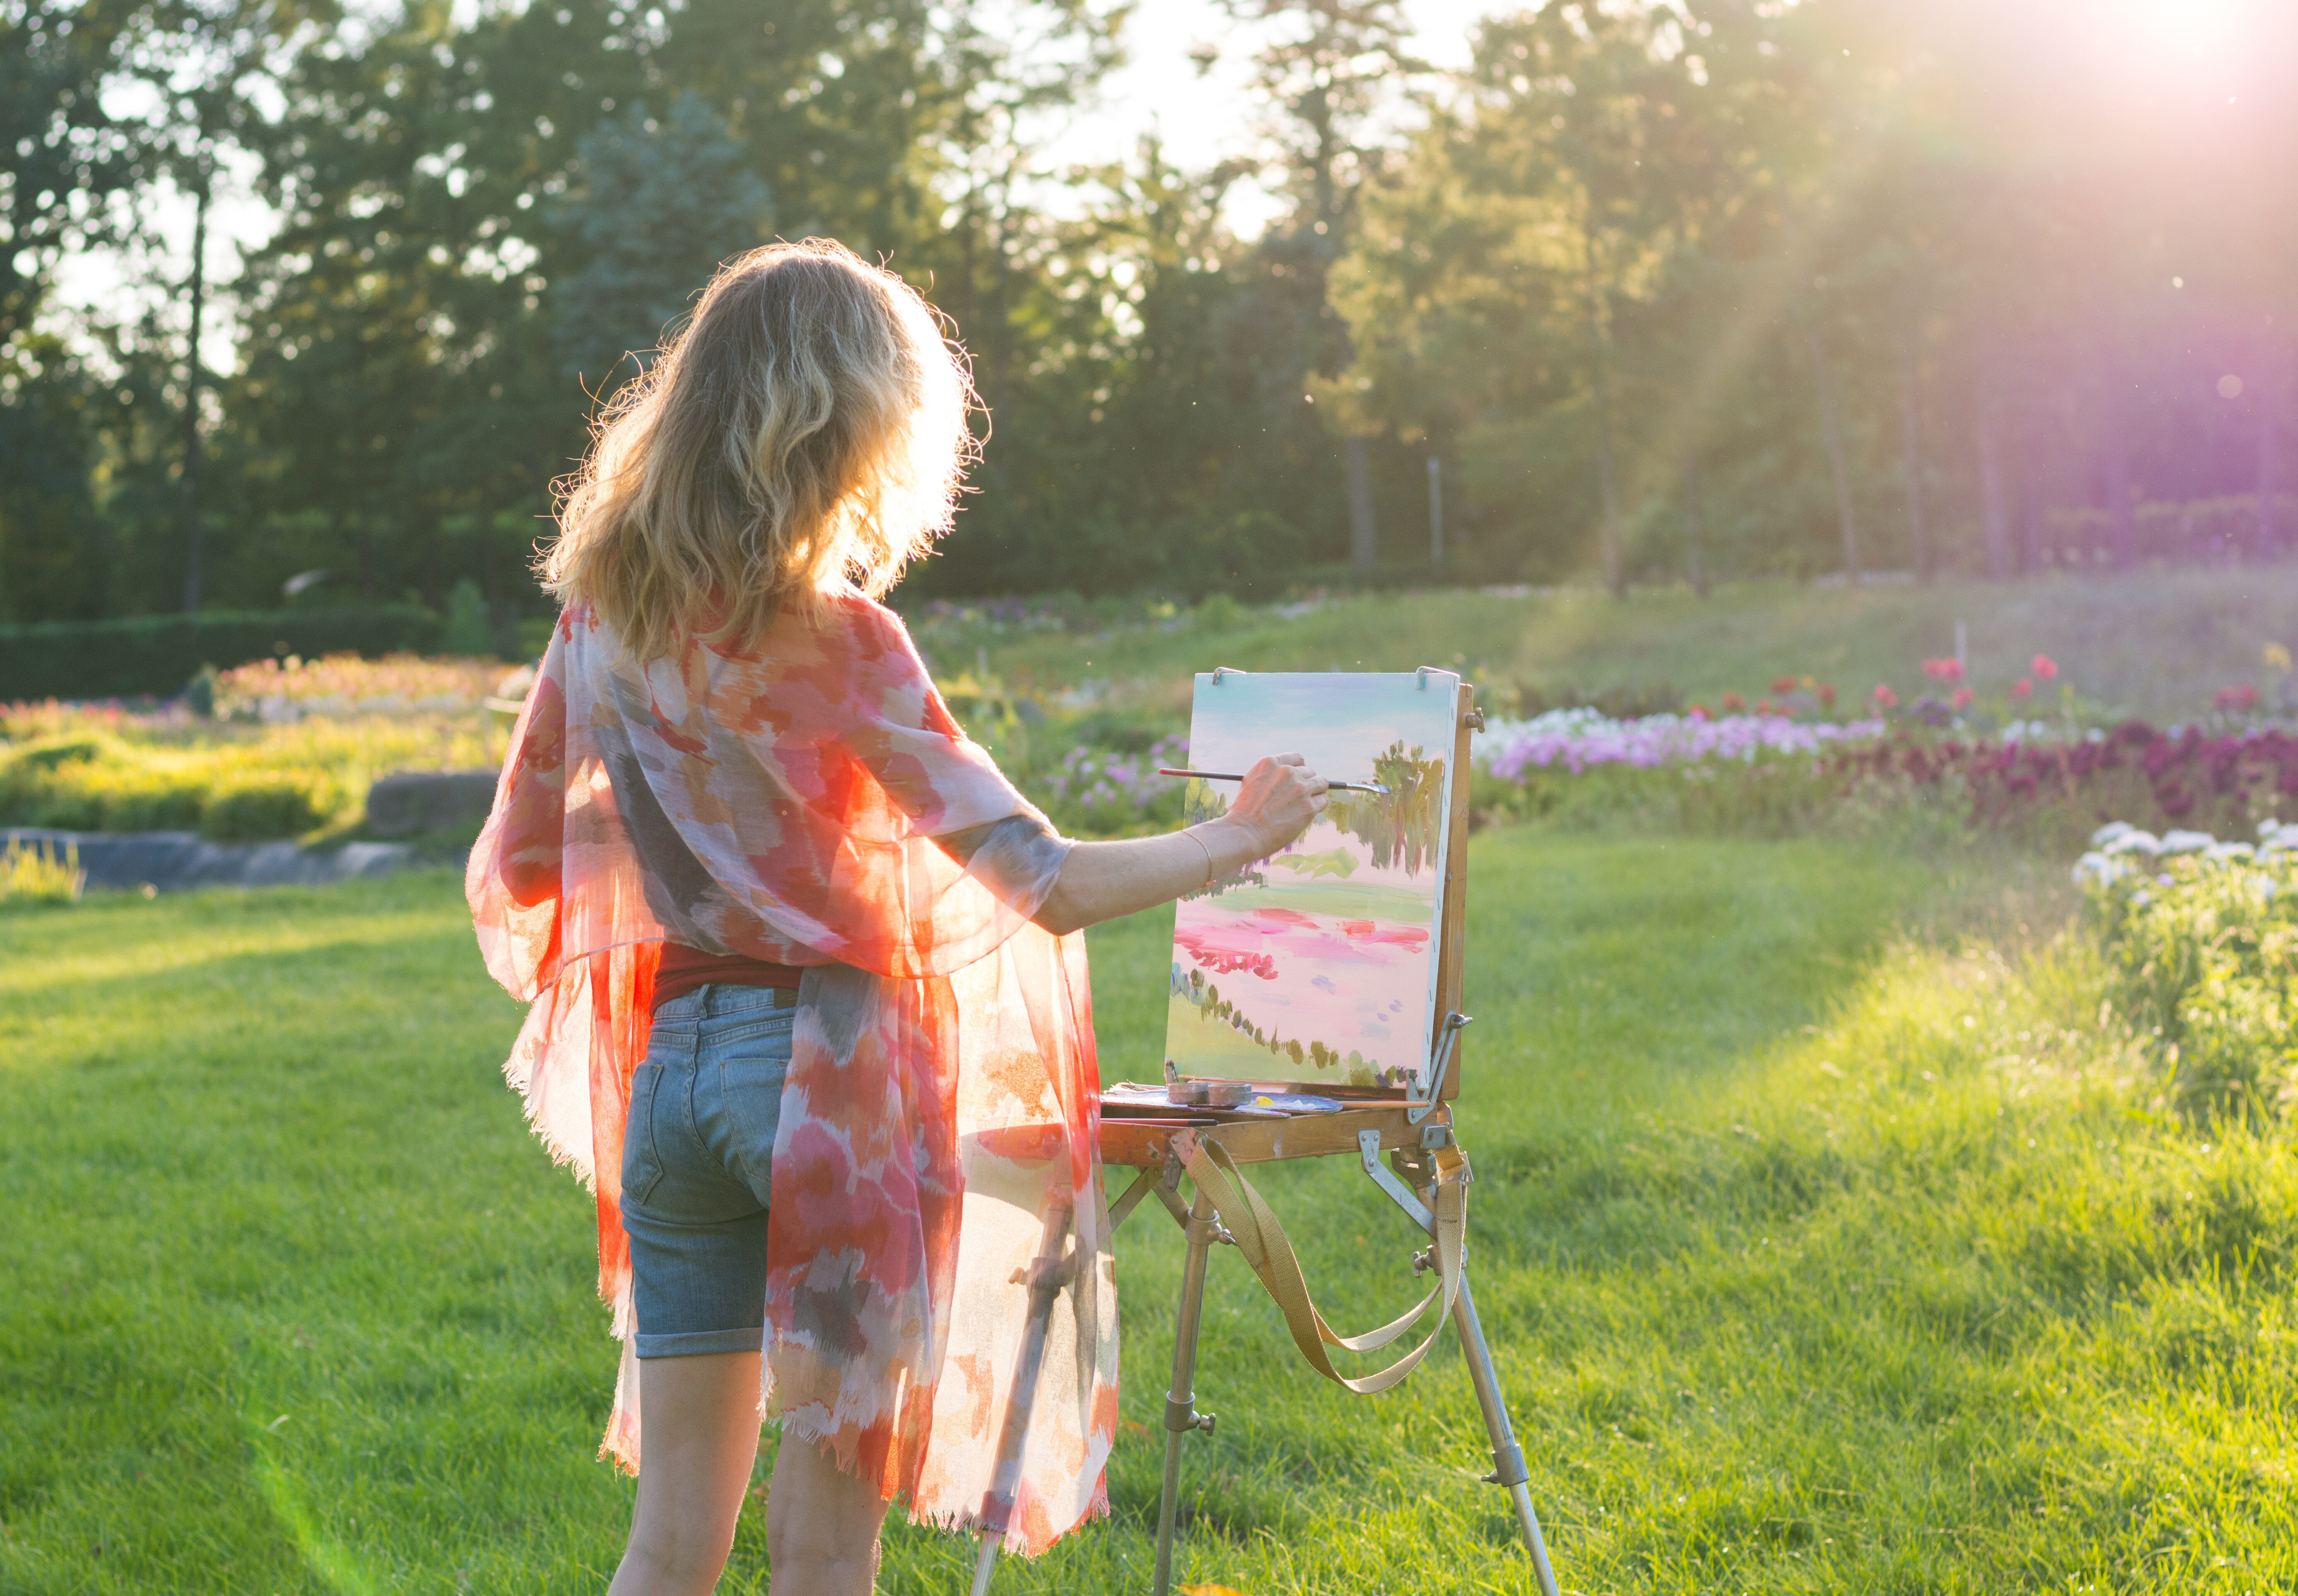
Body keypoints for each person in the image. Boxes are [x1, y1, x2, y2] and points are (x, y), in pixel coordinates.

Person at [466, 238, 1326, 1596]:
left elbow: (518, 869)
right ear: (853, 425)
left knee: (669, 1542)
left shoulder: (599, 626)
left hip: (674, 1089)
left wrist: (690, 823)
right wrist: (1240, 837)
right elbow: (1042, 880)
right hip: (830, 1090)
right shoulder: (845, 639)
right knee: (821, 1552)